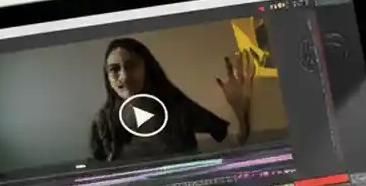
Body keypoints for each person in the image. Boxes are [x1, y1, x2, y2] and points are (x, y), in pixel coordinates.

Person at [88, 37, 255, 162]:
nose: (124, 77)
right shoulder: (103, 123)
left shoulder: (178, 108)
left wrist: (240, 109)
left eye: (131, 66)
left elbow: (236, 140)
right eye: (114, 69)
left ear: (147, 67)